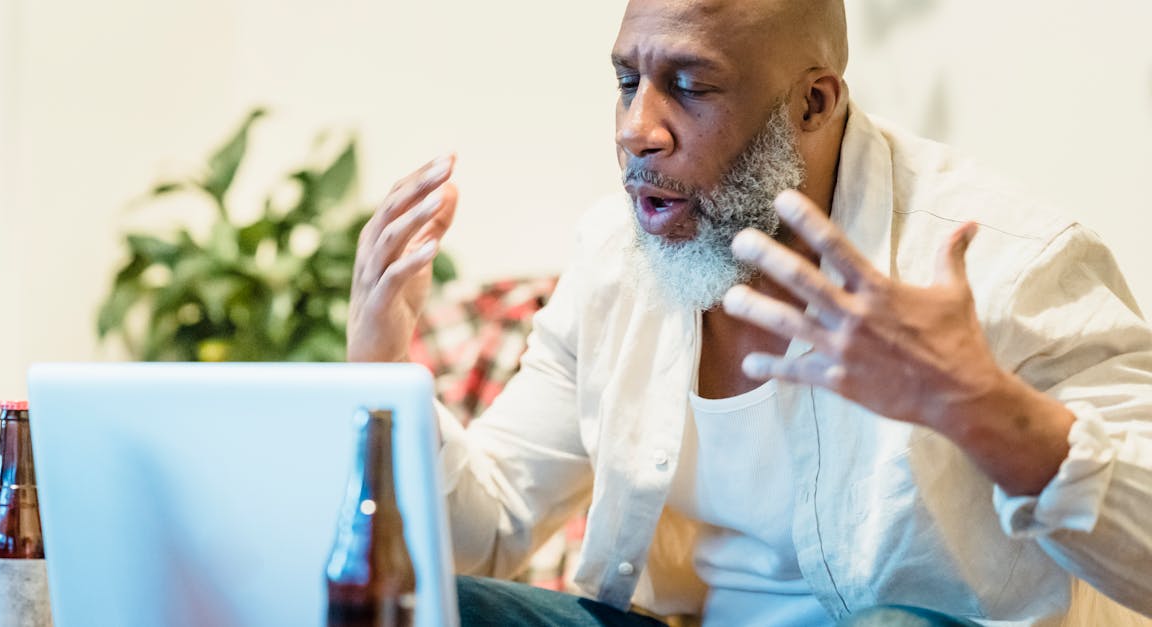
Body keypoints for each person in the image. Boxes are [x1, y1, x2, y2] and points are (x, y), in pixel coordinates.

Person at [345, 0, 1152, 624]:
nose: (636, 130)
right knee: (418, 609)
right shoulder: (614, 257)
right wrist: (381, 374)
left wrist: (982, 408)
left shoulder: (1008, 261)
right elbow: (488, 527)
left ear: (813, 103)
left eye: (690, 87)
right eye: (628, 81)